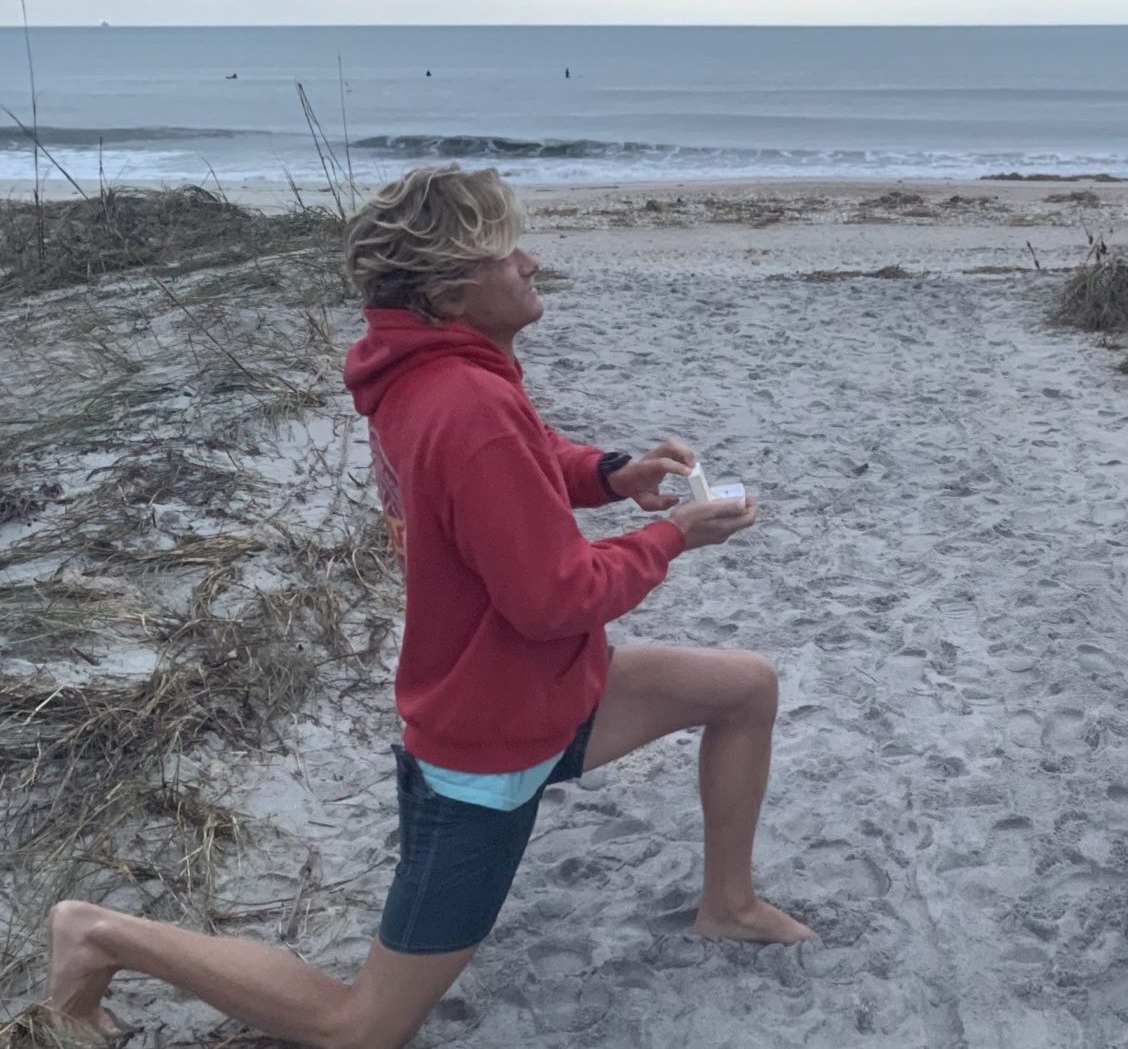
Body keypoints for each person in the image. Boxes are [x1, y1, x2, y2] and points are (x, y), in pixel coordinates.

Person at [41, 165, 812, 1049]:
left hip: (549, 694)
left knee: (744, 687)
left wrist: (609, 473)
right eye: (502, 253)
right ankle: (98, 932)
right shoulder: (464, 401)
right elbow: (556, 597)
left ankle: (730, 902)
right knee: (365, 1025)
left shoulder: (433, 371)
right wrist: (675, 534)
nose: (528, 261)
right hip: (489, 745)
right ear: (451, 287)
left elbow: (519, 462)